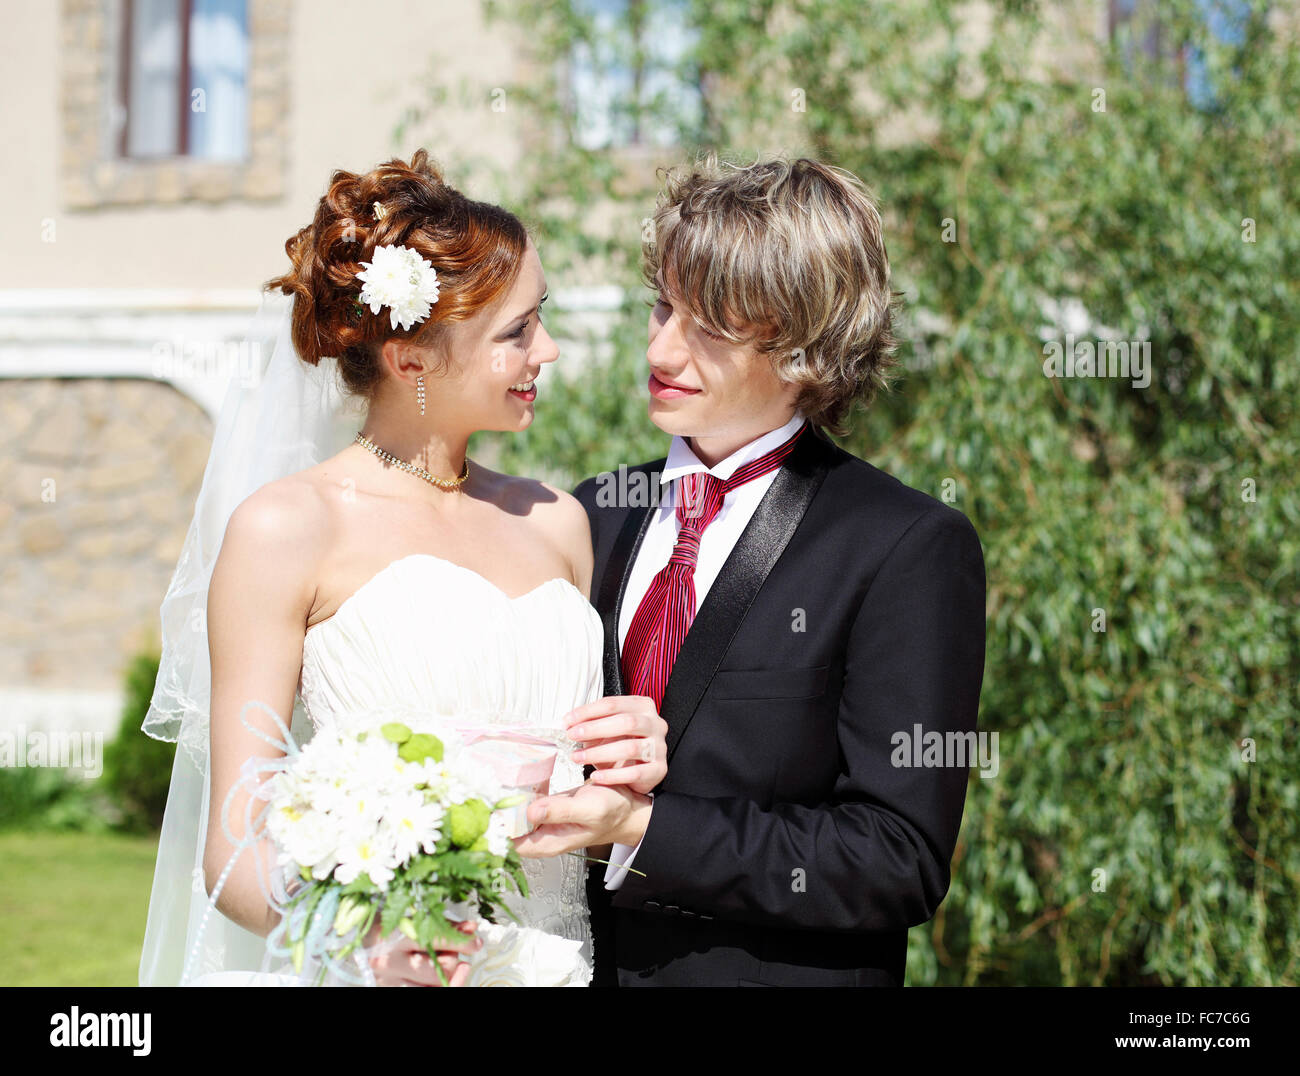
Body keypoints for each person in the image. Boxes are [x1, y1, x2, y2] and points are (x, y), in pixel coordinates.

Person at [139, 150, 666, 987]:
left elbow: (586, 795)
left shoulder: (558, 522)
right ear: (411, 360)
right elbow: (236, 851)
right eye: (517, 332)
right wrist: (377, 941)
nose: (551, 350)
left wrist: (629, 781)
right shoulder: (288, 528)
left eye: (541, 319)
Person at [573, 155, 987, 987]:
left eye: (709, 329)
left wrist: (641, 831)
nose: (661, 347)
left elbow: (896, 857)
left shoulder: (905, 545)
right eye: (663, 306)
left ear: (803, 350)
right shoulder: (591, 513)